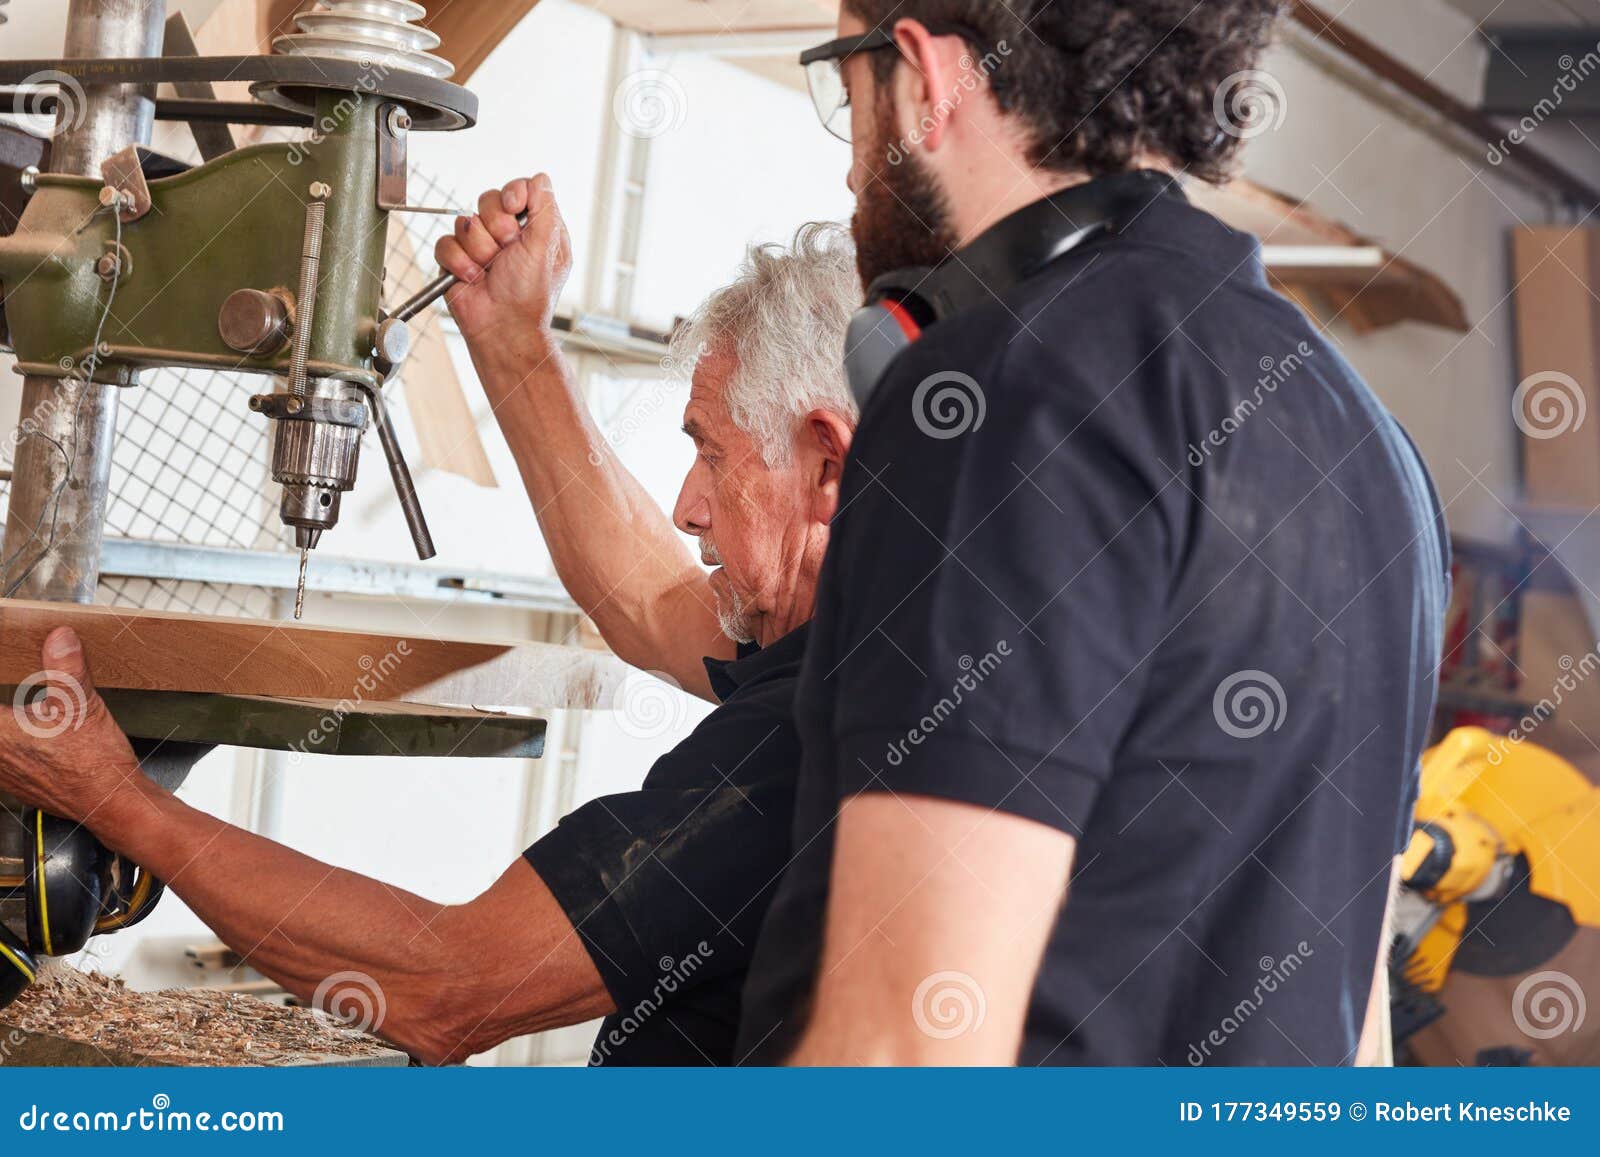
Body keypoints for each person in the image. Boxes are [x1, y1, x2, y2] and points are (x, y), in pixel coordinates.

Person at [0, 187, 860, 1067]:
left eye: (711, 453)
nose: (688, 507)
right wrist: (510, 337)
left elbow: (447, 988)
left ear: (827, 464)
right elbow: (653, 600)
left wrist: (109, 795)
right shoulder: (871, 625)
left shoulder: (822, 732)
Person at [740, 0, 1449, 1065]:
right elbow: (1355, 1029)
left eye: (846, 94)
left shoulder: (1001, 390)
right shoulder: (1367, 442)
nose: (849, 173)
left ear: (925, 78)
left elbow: (904, 1049)